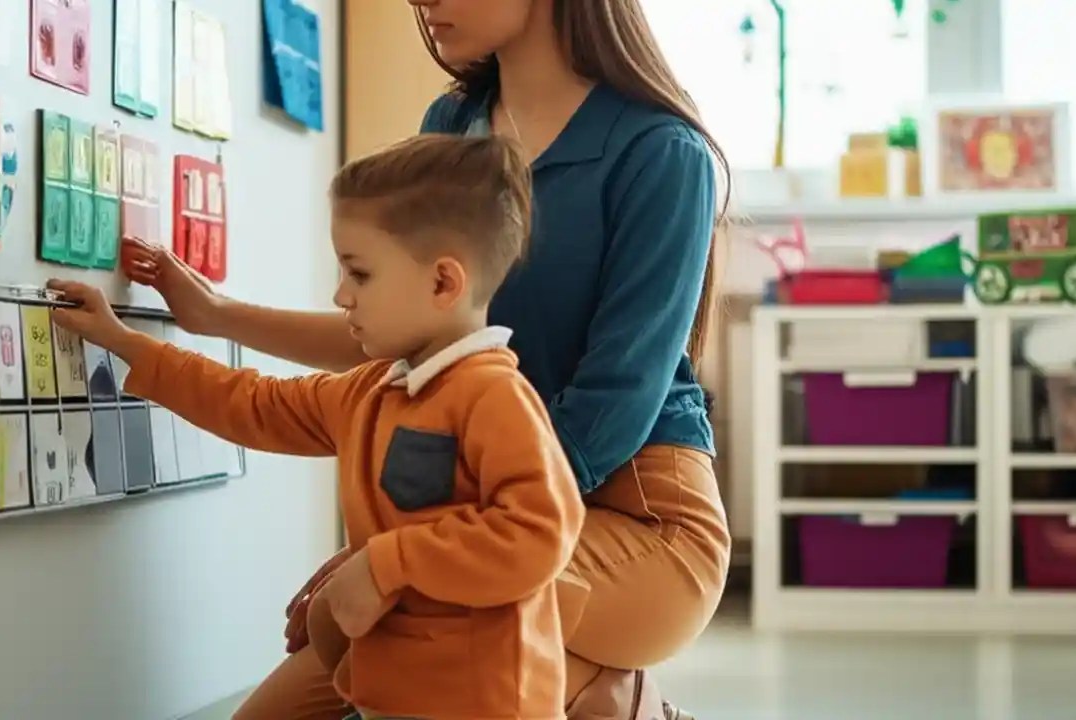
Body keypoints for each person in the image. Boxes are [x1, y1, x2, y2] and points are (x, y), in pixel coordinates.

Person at [125, 1, 732, 717]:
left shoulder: (661, 152)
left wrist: (400, 559)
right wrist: (217, 317)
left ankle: (622, 704)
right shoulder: (452, 130)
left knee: (444, 665)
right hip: (479, 512)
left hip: (639, 517)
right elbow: (397, 332)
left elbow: (614, 407)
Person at [51, 134, 587, 719]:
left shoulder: (493, 396)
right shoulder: (370, 390)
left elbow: (541, 531)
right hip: (391, 690)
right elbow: (253, 403)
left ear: (443, 284)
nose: (340, 295)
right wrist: (125, 343)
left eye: (359, 275)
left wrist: (386, 564)